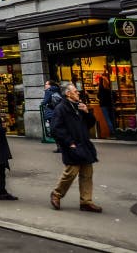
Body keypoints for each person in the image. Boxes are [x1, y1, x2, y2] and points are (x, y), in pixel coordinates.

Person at [49, 82, 102, 213]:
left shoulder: (79, 106)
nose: (78, 93)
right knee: (71, 172)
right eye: (75, 91)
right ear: (68, 93)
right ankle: (56, 194)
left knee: (87, 174)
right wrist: (69, 142)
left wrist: (87, 112)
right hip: (72, 146)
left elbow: (90, 124)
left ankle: (86, 201)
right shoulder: (61, 108)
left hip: (84, 144)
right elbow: (56, 129)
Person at [42, 80, 63, 152]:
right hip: (58, 111)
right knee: (59, 129)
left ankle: (59, 147)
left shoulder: (48, 91)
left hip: (51, 113)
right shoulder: (58, 90)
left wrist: (43, 103)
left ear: (50, 85)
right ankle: (62, 146)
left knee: (54, 130)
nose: (45, 85)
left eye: (46, 84)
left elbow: (45, 101)